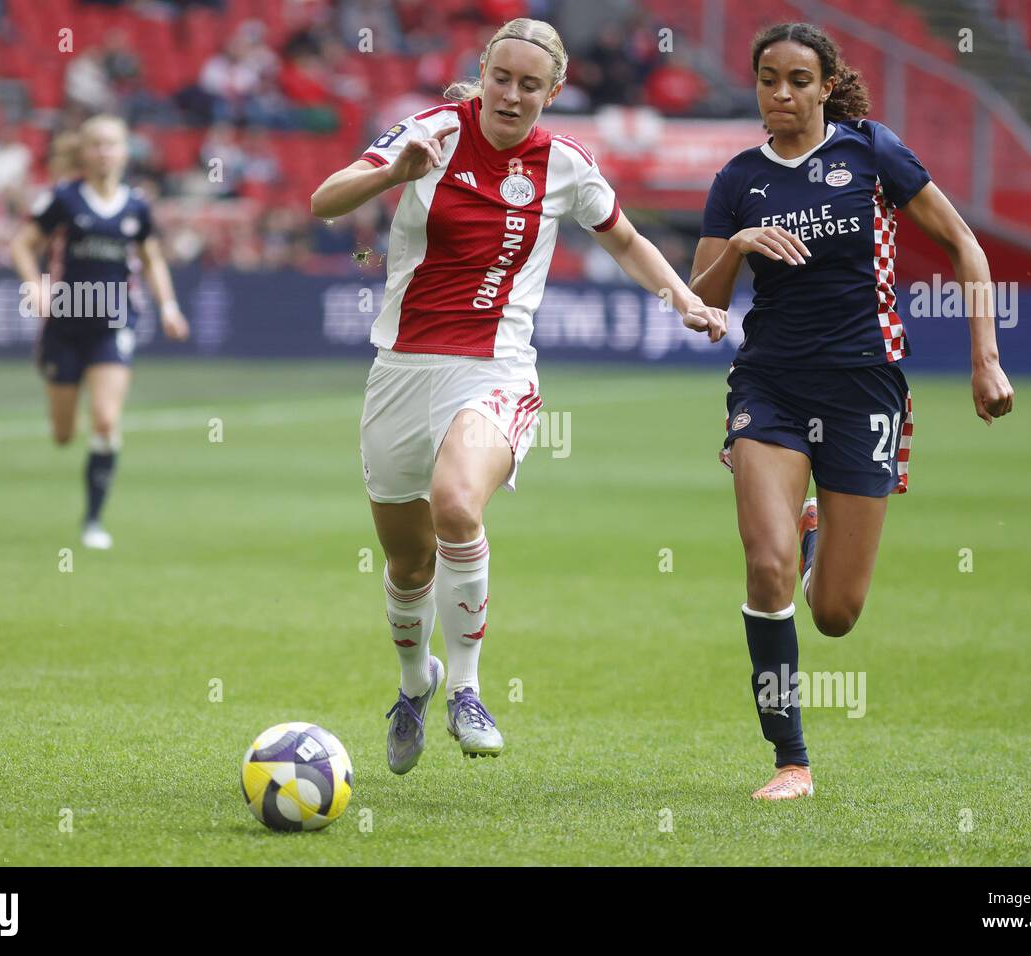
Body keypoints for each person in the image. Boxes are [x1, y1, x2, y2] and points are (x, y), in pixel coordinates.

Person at [311, 17, 727, 772]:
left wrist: (684, 298)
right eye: (501, 78)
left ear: (554, 91)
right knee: (408, 565)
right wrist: (393, 171)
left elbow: (625, 237)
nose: (511, 94)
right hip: (401, 371)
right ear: (483, 72)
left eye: (530, 85)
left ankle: (468, 689)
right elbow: (324, 201)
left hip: (496, 370)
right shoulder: (430, 132)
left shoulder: (565, 165)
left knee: (457, 505)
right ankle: (417, 683)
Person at [689, 22, 1014, 800]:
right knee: (762, 567)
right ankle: (790, 761)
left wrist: (985, 358)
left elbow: (965, 243)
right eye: (768, 79)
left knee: (834, 613)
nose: (782, 94)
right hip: (767, 384)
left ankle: (816, 534)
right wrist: (737, 244)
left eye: (799, 80)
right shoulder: (738, 178)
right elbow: (699, 304)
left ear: (826, 85)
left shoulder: (871, 152)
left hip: (864, 386)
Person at [9, 115, 189, 550]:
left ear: (125, 151)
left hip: (114, 323)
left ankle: (93, 521)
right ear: (84, 152)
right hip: (64, 326)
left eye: (112, 144)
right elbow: (22, 244)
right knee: (63, 433)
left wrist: (168, 306)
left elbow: (151, 259)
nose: (105, 152)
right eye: (97, 145)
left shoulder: (136, 206)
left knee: (106, 420)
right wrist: (33, 283)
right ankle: (64, 388)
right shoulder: (64, 199)